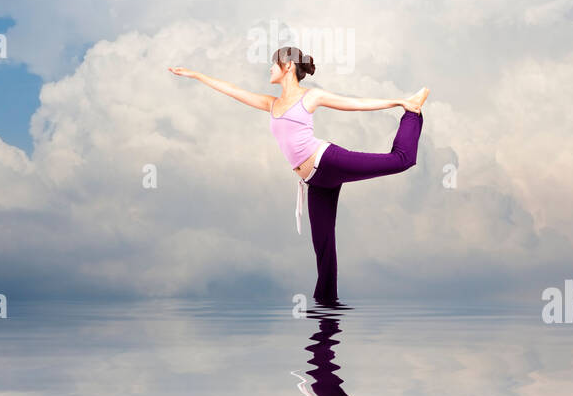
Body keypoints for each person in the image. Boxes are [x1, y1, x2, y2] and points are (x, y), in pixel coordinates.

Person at [168, 47, 428, 297]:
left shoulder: (310, 96)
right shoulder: (272, 103)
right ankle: (326, 310)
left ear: (288, 66)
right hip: (315, 180)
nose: (269, 68)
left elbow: (355, 104)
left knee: (400, 160)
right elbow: (234, 91)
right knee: (323, 248)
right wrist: (197, 75)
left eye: (274, 63)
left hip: (327, 161)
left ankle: (412, 111)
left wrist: (398, 102)